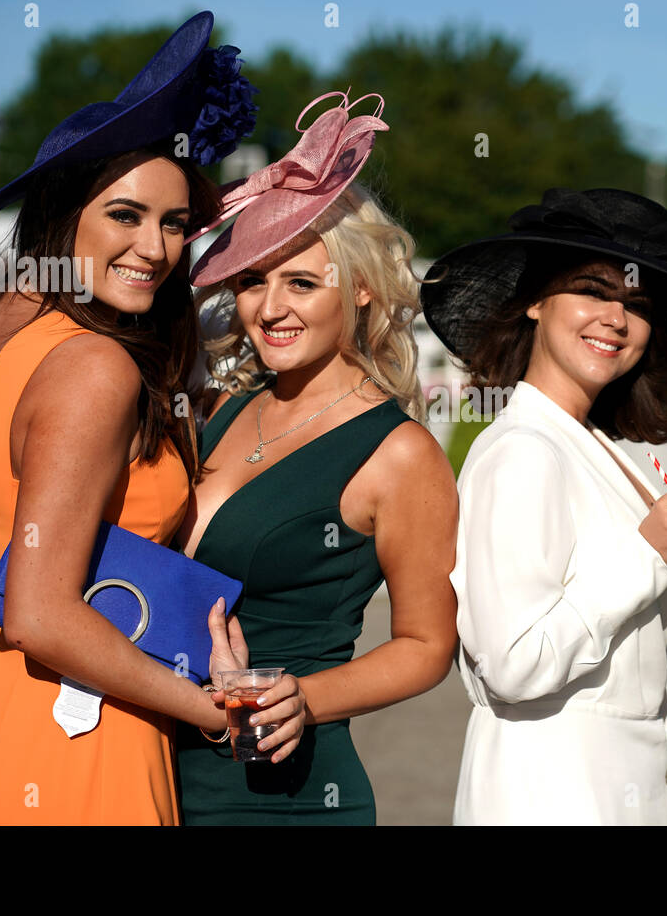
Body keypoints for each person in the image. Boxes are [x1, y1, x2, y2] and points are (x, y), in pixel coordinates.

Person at [0, 12, 266, 825]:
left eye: (175, 223)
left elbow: (2, 537)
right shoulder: (96, 364)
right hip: (78, 748)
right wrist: (217, 711)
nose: (156, 248)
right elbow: (41, 611)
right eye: (126, 215)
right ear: (65, 210)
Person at [420, 187, 667, 825]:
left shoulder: (612, 453)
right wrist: (645, 551)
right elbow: (512, 666)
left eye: (637, 304)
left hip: (635, 793)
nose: (615, 317)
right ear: (535, 303)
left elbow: (659, 670)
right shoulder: (522, 449)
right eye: (592, 291)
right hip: (547, 787)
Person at [171, 92, 458, 825]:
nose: (270, 308)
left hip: (284, 794)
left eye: (301, 281)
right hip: (156, 768)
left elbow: (428, 644)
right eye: (251, 281)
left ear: (360, 288)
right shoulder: (218, 407)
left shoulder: (400, 453)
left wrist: (306, 695)